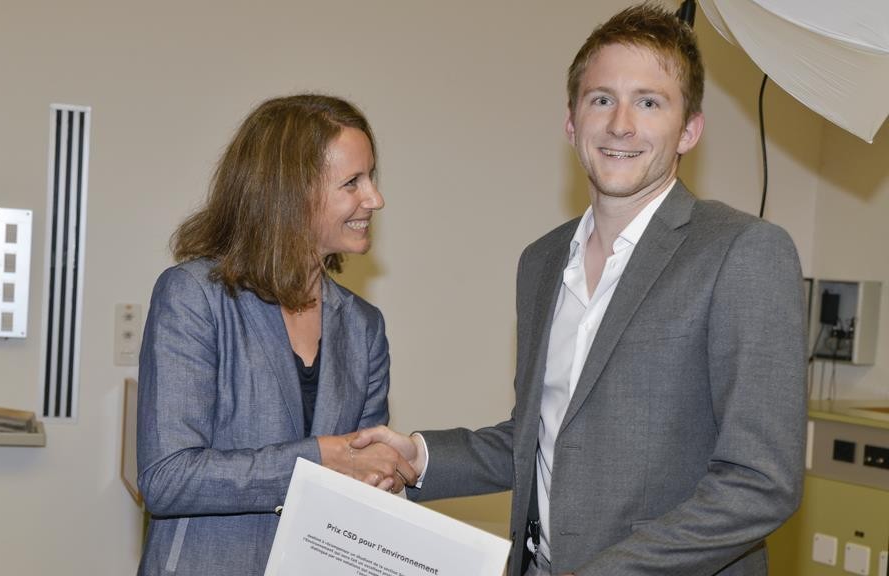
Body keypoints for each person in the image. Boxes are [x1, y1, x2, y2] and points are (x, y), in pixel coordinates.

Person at [353, 4, 807, 575]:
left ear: (690, 128)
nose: (621, 124)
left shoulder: (744, 251)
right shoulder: (540, 261)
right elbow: (539, 436)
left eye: (649, 101)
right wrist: (417, 455)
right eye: (601, 99)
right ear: (571, 121)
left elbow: (760, 482)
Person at [137, 94, 417, 576]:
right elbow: (168, 479)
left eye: (371, 178)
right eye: (352, 182)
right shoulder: (193, 297)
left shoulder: (364, 327)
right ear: (290, 194)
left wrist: (383, 481)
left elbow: (360, 478)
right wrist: (318, 461)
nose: (375, 198)